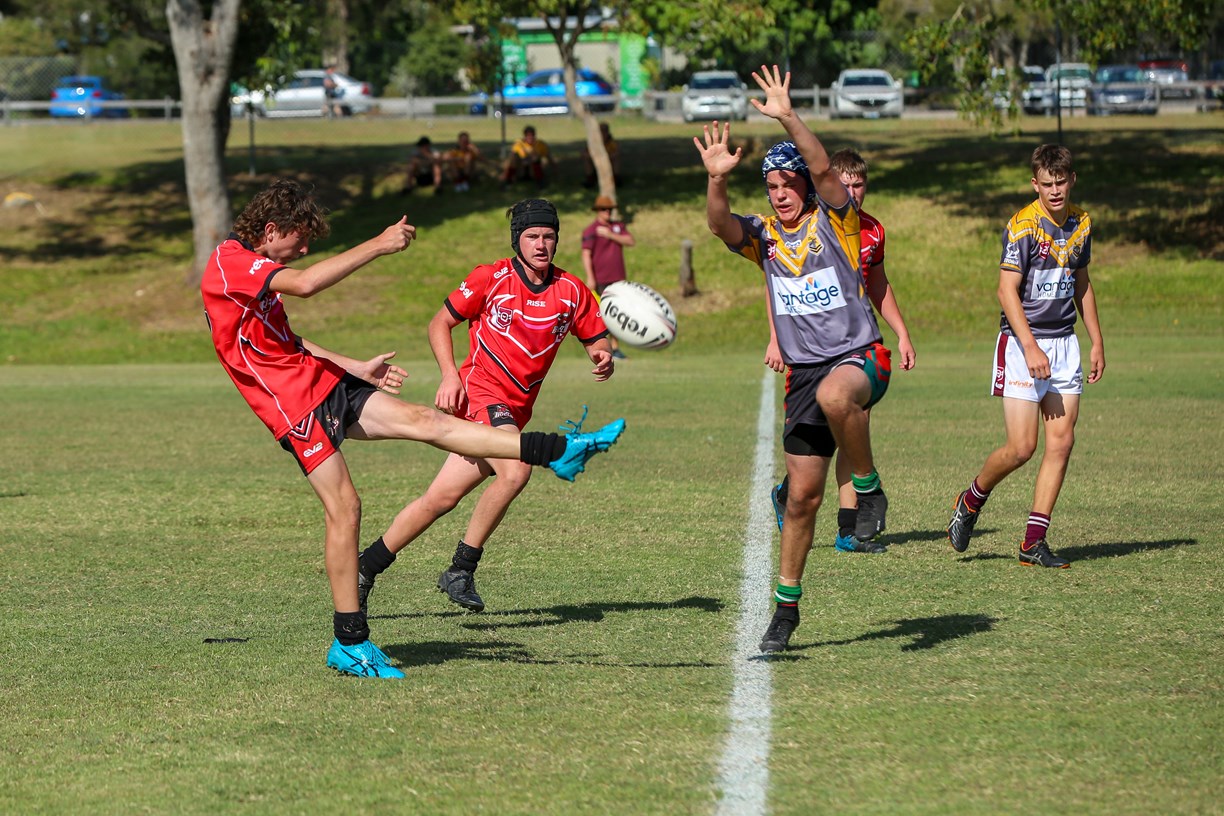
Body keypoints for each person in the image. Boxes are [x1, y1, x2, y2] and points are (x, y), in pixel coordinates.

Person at [200, 180, 625, 679]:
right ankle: (350, 641)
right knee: (346, 508)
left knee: (429, 421)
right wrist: (379, 244)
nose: (305, 250)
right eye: (299, 240)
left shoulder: (251, 271)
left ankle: (558, 448)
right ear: (270, 231)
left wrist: (356, 367)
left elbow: (289, 341)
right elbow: (308, 283)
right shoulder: (228, 264)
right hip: (292, 407)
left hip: (322, 382)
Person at [694, 65, 891, 654]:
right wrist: (717, 181)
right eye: (770, 185)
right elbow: (719, 225)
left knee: (838, 395)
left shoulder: (838, 221)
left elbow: (827, 168)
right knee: (801, 498)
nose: (779, 193)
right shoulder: (766, 238)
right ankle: (786, 609)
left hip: (860, 357)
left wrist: (786, 115)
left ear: (804, 185)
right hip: (803, 377)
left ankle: (869, 487)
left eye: (787, 182)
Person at [356, 199, 616, 615]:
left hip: (516, 410)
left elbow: (595, 338)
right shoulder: (491, 277)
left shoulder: (571, 291)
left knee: (439, 499)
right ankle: (461, 568)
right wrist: (448, 374)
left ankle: (364, 568)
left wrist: (602, 356)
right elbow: (439, 322)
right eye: (532, 236)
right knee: (516, 470)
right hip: (483, 395)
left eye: (549, 236)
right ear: (517, 239)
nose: (541, 244)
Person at [946, 144, 1104, 568]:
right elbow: (1005, 291)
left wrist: (1097, 341)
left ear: (1072, 180)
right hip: (1021, 345)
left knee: (1062, 441)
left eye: (1061, 182)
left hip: (1064, 344)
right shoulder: (1022, 227)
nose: (1055, 191)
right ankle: (971, 499)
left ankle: (1033, 541)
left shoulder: (1081, 224)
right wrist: (1030, 346)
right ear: (1035, 183)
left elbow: (1083, 283)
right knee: (1021, 447)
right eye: (1046, 184)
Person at [767, 148, 916, 555]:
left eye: (858, 184)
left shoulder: (873, 231)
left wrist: (901, 333)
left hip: (856, 341)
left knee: (856, 424)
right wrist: (775, 337)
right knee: (826, 434)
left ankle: (849, 528)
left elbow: (878, 285)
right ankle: (789, 491)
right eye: (844, 184)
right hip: (813, 346)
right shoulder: (812, 225)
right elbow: (779, 279)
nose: (852, 191)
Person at [581, 193, 636, 360]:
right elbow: (586, 254)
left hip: (618, 278)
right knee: (605, 315)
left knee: (619, 313)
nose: (607, 212)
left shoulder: (617, 227)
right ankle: (607, 347)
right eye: (604, 209)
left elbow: (630, 241)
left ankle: (616, 346)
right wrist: (590, 277)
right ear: (597, 211)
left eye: (610, 209)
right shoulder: (591, 231)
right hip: (601, 279)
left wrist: (610, 234)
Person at [582, 122, 621, 188]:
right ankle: (590, 179)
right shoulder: (594, 142)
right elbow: (585, 153)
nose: (602, 134)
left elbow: (617, 153)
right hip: (596, 162)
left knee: (616, 160)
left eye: (604, 131)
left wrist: (606, 158)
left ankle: (616, 179)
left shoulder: (612, 143)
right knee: (587, 160)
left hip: (608, 161)